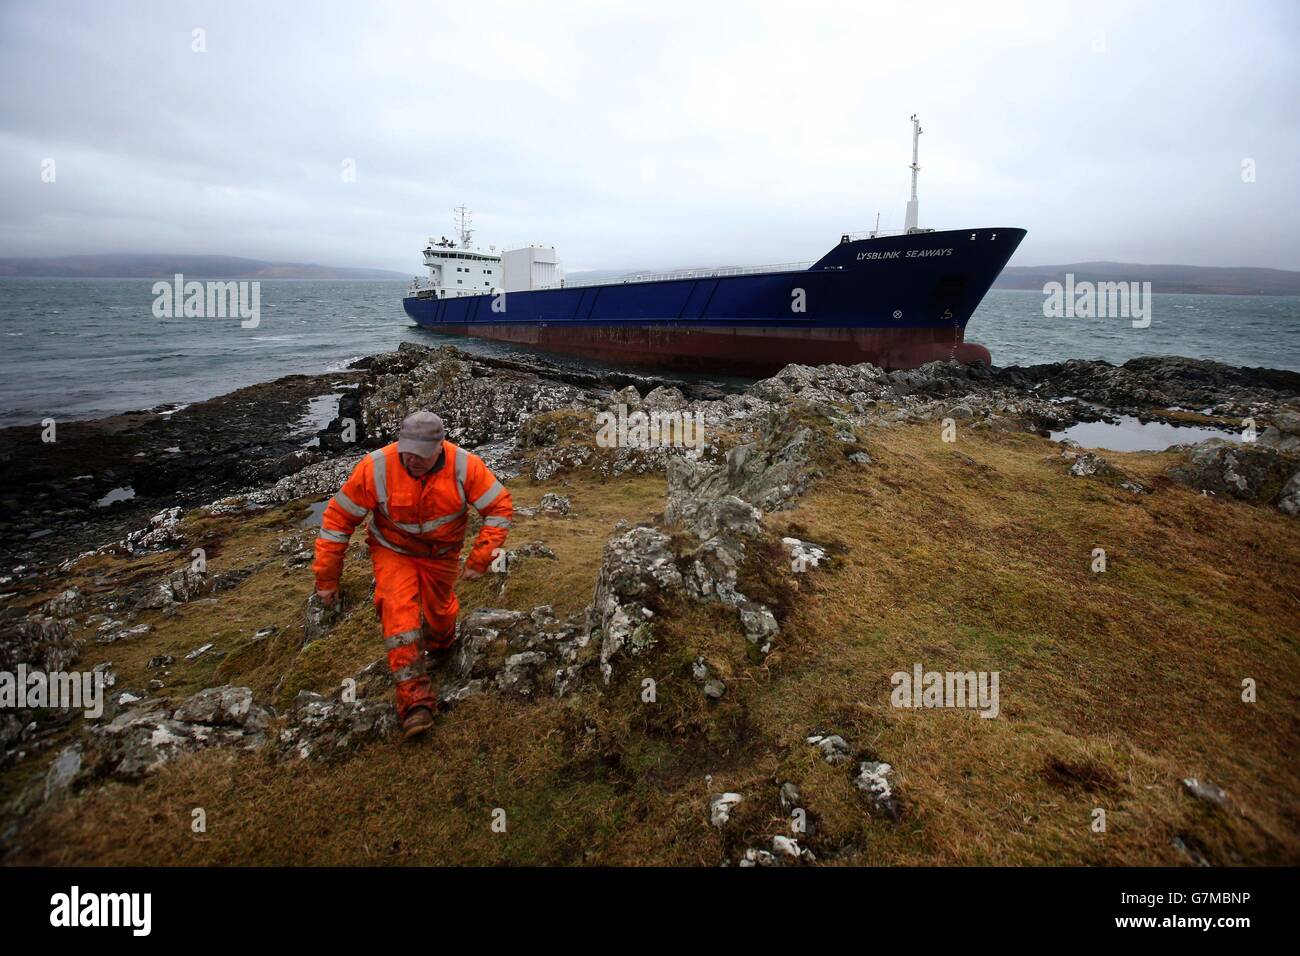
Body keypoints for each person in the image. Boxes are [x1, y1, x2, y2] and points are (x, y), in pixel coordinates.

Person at [312, 411, 512, 739]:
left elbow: (499, 508)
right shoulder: (375, 467)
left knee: (440, 617)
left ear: (440, 447)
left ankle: (442, 645)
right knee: (397, 610)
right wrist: (327, 578)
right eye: (407, 449)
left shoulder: (466, 467)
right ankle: (414, 701)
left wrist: (480, 559)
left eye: (421, 453)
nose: (411, 459)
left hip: (442, 557)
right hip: (394, 552)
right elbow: (337, 521)